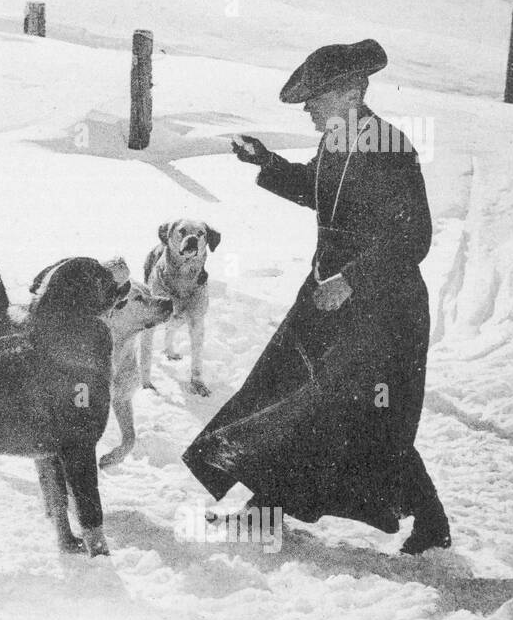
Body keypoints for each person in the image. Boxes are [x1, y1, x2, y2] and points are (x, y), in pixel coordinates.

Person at [182, 39, 451, 555]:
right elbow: (318, 191)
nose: (307, 108)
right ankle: (264, 512)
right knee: (293, 398)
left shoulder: (388, 146)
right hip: (328, 297)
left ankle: (432, 522)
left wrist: (351, 280)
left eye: (315, 98)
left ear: (352, 92)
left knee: (366, 415)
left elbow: (411, 236)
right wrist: (267, 162)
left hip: (381, 307)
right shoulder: (337, 139)